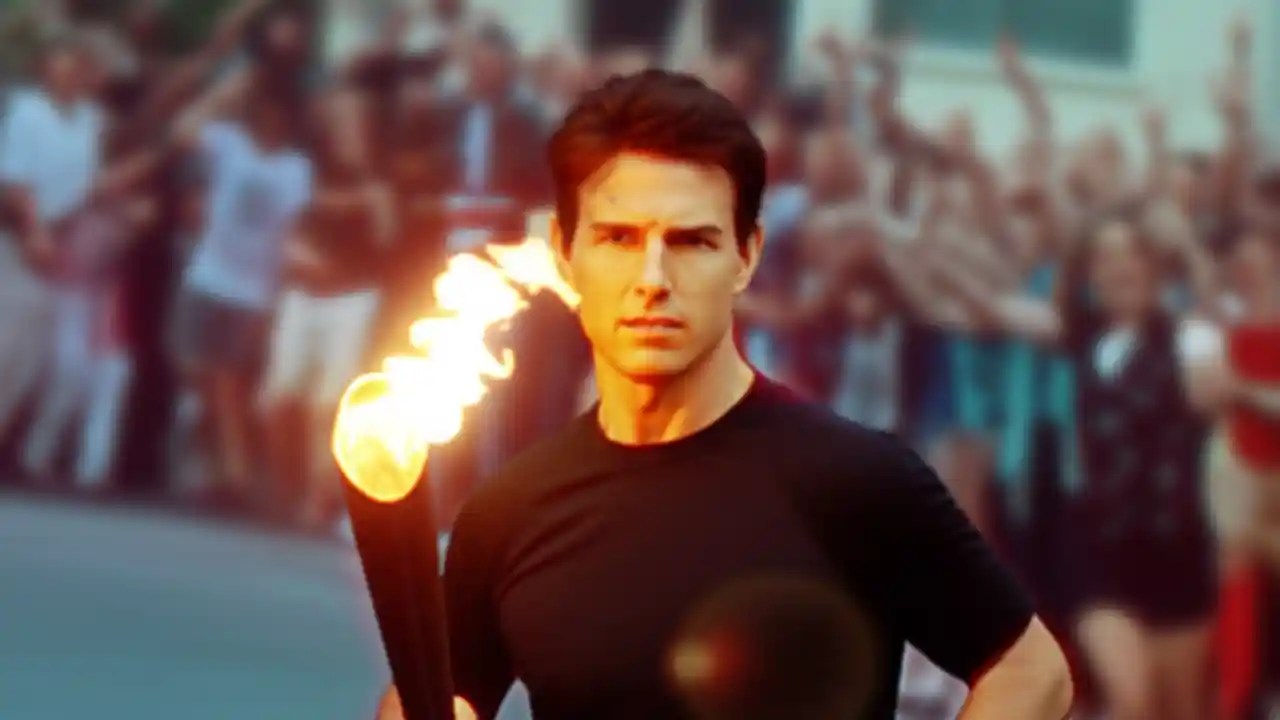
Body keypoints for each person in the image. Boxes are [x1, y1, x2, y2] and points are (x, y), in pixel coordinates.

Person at [378, 70, 1072, 720]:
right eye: (619, 238)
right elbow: (433, 699)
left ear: (746, 256)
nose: (653, 277)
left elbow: (1032, 672)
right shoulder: (509, 513)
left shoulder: (855, 480)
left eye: (692, 242)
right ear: (565, 252)